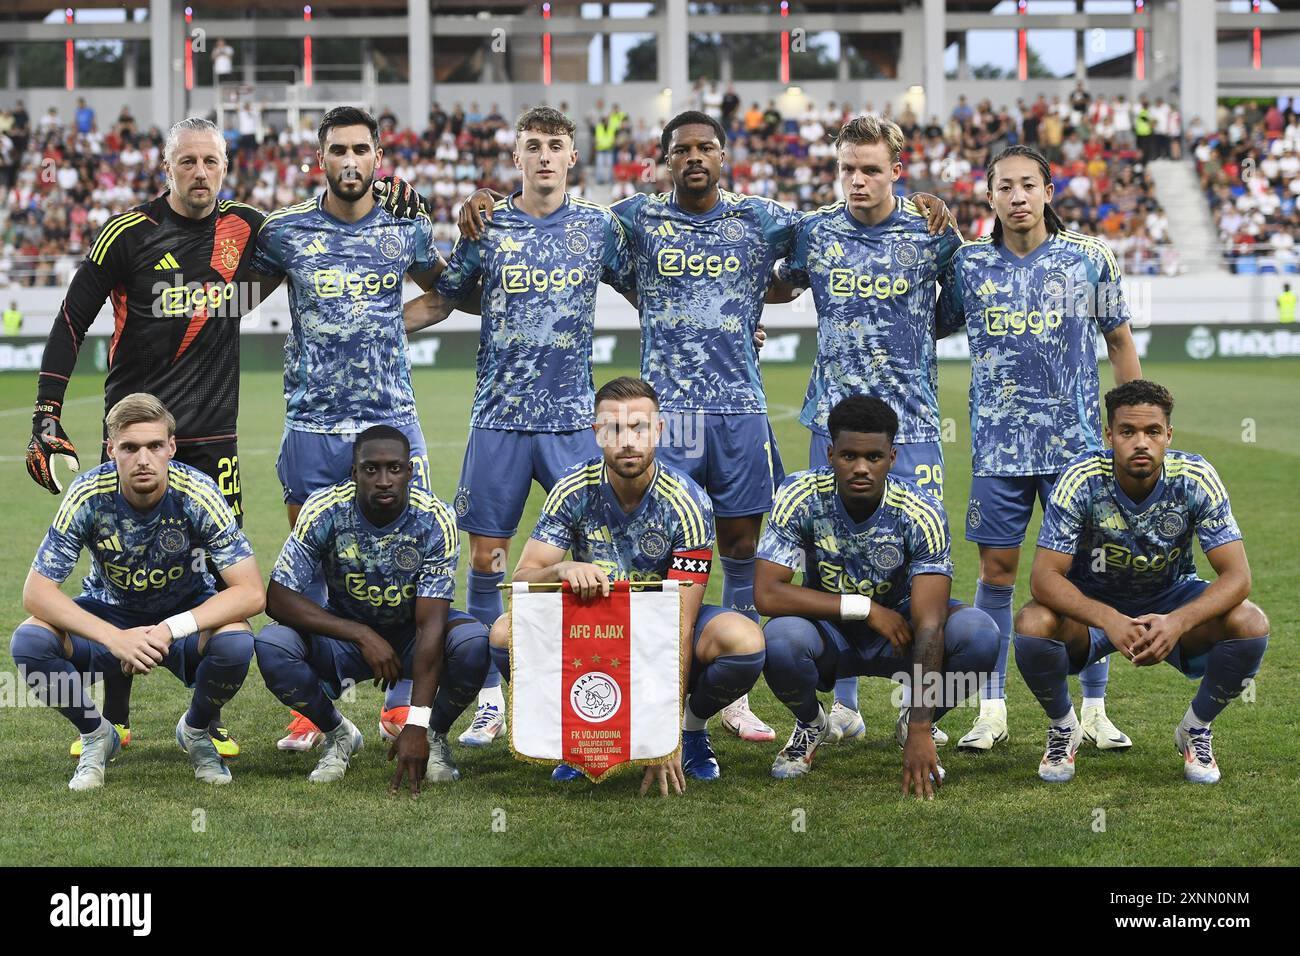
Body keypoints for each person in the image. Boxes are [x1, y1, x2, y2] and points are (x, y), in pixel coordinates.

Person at [25, 115, 425, 759]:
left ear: (226, 167)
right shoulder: (128, 233)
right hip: (138, 431)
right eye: (187, 162)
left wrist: (396, 196)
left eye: (211, 162)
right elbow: (72, 318)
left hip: (214, 438)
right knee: (119, 569)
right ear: (167, 167)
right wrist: (47, 410)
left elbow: (327, 220)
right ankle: (116, 717)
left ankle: (204, 718)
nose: (200, 173)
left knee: (225, 577)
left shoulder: (249, 228)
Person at [408, 106, 636, 748]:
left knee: (591, 557)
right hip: (498, 420)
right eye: (531, 144)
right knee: (487, 559)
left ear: (571, 158)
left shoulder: (597, 228)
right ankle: (489, 699)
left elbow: (647, 289)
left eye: (554, 145)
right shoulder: (489, 226)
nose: (542, 156)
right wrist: (365, 327)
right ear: (516, 158)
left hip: (571, 423)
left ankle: (594, 690)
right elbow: (443, 297)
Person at [249, 106, 458, 751]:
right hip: (312, 425)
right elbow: (233, 295)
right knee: (312, 565)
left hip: (389, 421)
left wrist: (391, 324)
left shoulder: (404, 230)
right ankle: (319, 707)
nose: (349, 161)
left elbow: (445, 293)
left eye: (360, 150)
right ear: (321, 158)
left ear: (377, 157)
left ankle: (401, 701)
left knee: (404, 558)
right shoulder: (285, 233)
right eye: (337, 149)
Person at [937, 145, 1143, 753]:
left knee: (1083, 575)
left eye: (1029, 185)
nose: (1018, 196)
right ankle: (991, 709)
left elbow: (1119, 340)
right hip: (998, 450)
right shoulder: (968, 264)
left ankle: (1095, 709)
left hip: (1077, 449)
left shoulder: (1089, 258)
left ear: (1049, 191)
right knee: (996, 575)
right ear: (990, 196)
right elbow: (925, 321)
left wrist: (1133, 421)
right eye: (1006, 187)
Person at [770, 114, 962, 744]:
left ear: (896, 172)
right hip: (833, 422)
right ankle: (844, 703)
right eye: (848, 168)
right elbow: (767, 285)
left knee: (918, 563)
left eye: (871, 168)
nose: (857, 179)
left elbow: (955, 311)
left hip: (912, 426)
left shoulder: (932, 233)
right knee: (833, 553)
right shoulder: (815, 233)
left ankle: (919, 703)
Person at [486, 377, 766, 792]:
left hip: (661, 626)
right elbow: (523, 579)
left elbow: (681, 623)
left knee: (744, 642)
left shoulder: (687, 502)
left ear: (658, 431)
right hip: (595, 629)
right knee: (505, 633)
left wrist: (664, 737)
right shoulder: (572, 490)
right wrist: (560, 572)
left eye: (639, 427)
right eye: (614, 428)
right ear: (597, 432)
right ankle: (582, 734)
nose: (628, 440)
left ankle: (690, 732)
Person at [1016, 380, 1268, 784]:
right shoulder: (1080, 478)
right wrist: (1110, 619)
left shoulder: (1195, 477)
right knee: (1032, 623)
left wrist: (1178, 622)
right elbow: (1044, 579)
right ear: (1109, 435)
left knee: (1251, 623)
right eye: (1128, 432)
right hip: (1093, 601)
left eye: (1152, 432)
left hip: (1171, 596)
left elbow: (1238, 577)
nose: (1140, 443)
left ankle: (1195, 728)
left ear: (1168, 435)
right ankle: (1065, 727)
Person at [9, 394, 263, 791]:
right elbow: (36, 593)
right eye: (130, 447)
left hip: (184, 616)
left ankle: (196, 730)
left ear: (171, 448)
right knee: (29, 641)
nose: (143, 459)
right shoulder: (88, 494)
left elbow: (250, 593)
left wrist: (168, 630)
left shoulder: (198, 491)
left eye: (154, 446)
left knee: (236, 641)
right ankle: (97, 733)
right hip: (110, 615)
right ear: (112, 451)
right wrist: (115, 638)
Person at [754, 396, 998, 796]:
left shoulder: (921, 509)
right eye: (848, 455)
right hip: (828, 632)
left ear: (893, 456)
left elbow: (931, 622)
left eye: (874, 456)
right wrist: (863, 608)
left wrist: (921, 727)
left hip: (900, 633)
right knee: (780, 639)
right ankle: (811, 723)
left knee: (979, 634)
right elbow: (766, 593)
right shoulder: (800, 495)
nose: (861, 468)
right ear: (830, 454)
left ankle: (914, 721)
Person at [255, 426, 489, 788]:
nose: (383, 480)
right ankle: (338, 733)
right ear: (354, 473)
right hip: (345, 635)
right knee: (273, 645)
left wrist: (417, 723)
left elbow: (430, 624)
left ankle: (433, 736)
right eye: (371, 469)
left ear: (410, 472)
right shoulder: (325, 509)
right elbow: (278, 597)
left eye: (394, 469)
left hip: (412, 634)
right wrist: (360, 633)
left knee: (473, 642)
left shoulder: (434, 518)